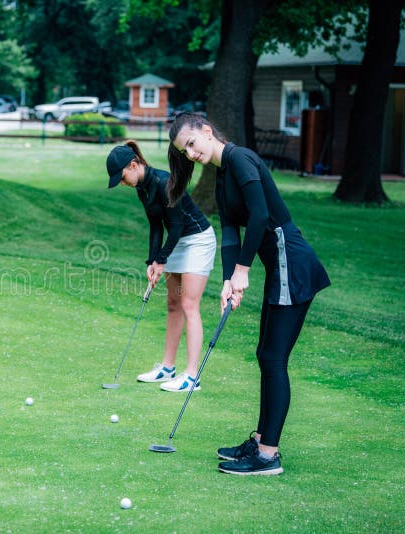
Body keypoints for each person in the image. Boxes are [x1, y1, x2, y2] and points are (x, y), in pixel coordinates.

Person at [167, 113, 330, 475]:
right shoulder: (223, 174)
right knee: (265, 354)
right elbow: (230, 232)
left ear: (207, 131)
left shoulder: (240, 158)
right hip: (279, 268)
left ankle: (268, 456)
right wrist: (228, 279)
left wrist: (243, 271)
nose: (190, 153)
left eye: (191, 144)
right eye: (184, 151)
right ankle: (261, 440)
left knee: (273, 358)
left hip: (291, 261)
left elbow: (259, 216)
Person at [106, 140, 217, 392]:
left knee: (189, 304)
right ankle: (167, 367)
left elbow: (176, 225)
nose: (123, 183)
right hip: (176, 241)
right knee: (173, 303)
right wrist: (152, 260)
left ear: (133, 165)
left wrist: (162, 258)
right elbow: (157, 226)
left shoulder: (164, 182)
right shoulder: (142, 188)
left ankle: (192, 376)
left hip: (197, 240)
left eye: (122, 177)